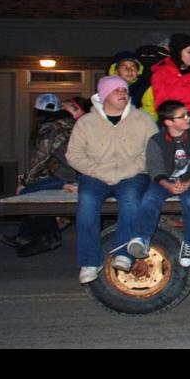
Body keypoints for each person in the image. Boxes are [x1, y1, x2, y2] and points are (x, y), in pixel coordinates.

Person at [65, 75, 156, 283]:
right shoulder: (86, 122)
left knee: (130, 198)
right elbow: (74, 155)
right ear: (105, 95)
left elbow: (152, 152)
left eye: (124, 90)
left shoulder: (143, 119)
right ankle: (89, 261)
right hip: (96, 174)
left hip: (133, 174)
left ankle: (123, 253)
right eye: (117, 90)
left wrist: (128, 171)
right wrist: (98, 171)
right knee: (87, 200)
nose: (123, 93)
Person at [127, 100, 190, 269]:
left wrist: (189, 182)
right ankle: (142, 238)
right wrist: (167, 184)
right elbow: (154, 167)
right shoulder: (156, 140)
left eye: (188, 114)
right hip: (165, 180)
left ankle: (189, 243)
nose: (188, 118)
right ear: (168, 122)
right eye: (183, 116)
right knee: (150, 198)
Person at [5, 93, 86, 257]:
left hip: (71, 176)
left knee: (27, 193)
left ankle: (48, 237)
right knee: (34, 188)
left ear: (38, 112)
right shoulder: (69, 123)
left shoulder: (51, 128)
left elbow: (40, 158)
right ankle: (24, 236)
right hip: (75, 173)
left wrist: (25, 181)